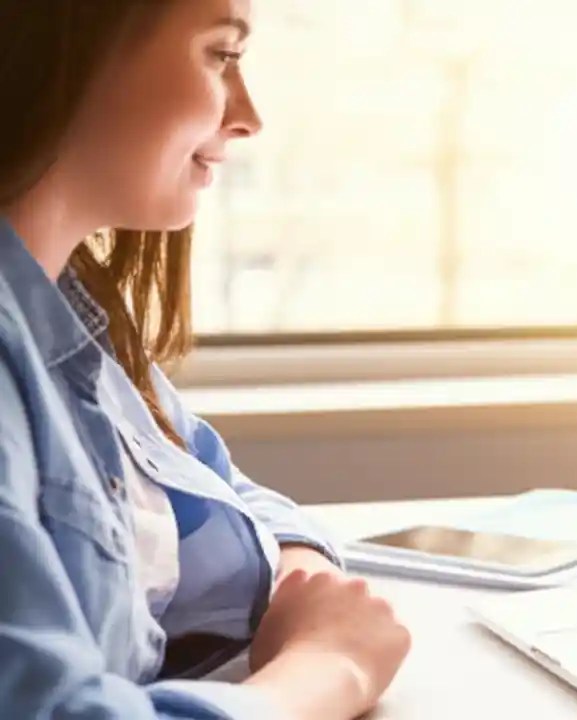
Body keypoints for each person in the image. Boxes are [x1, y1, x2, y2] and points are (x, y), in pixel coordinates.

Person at [0, 1, 412, 718]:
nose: (247, 115)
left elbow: (225, 496)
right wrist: (329, 667)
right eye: (220, 56)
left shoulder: (69, 319)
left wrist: (303, 588)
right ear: (66, 46)